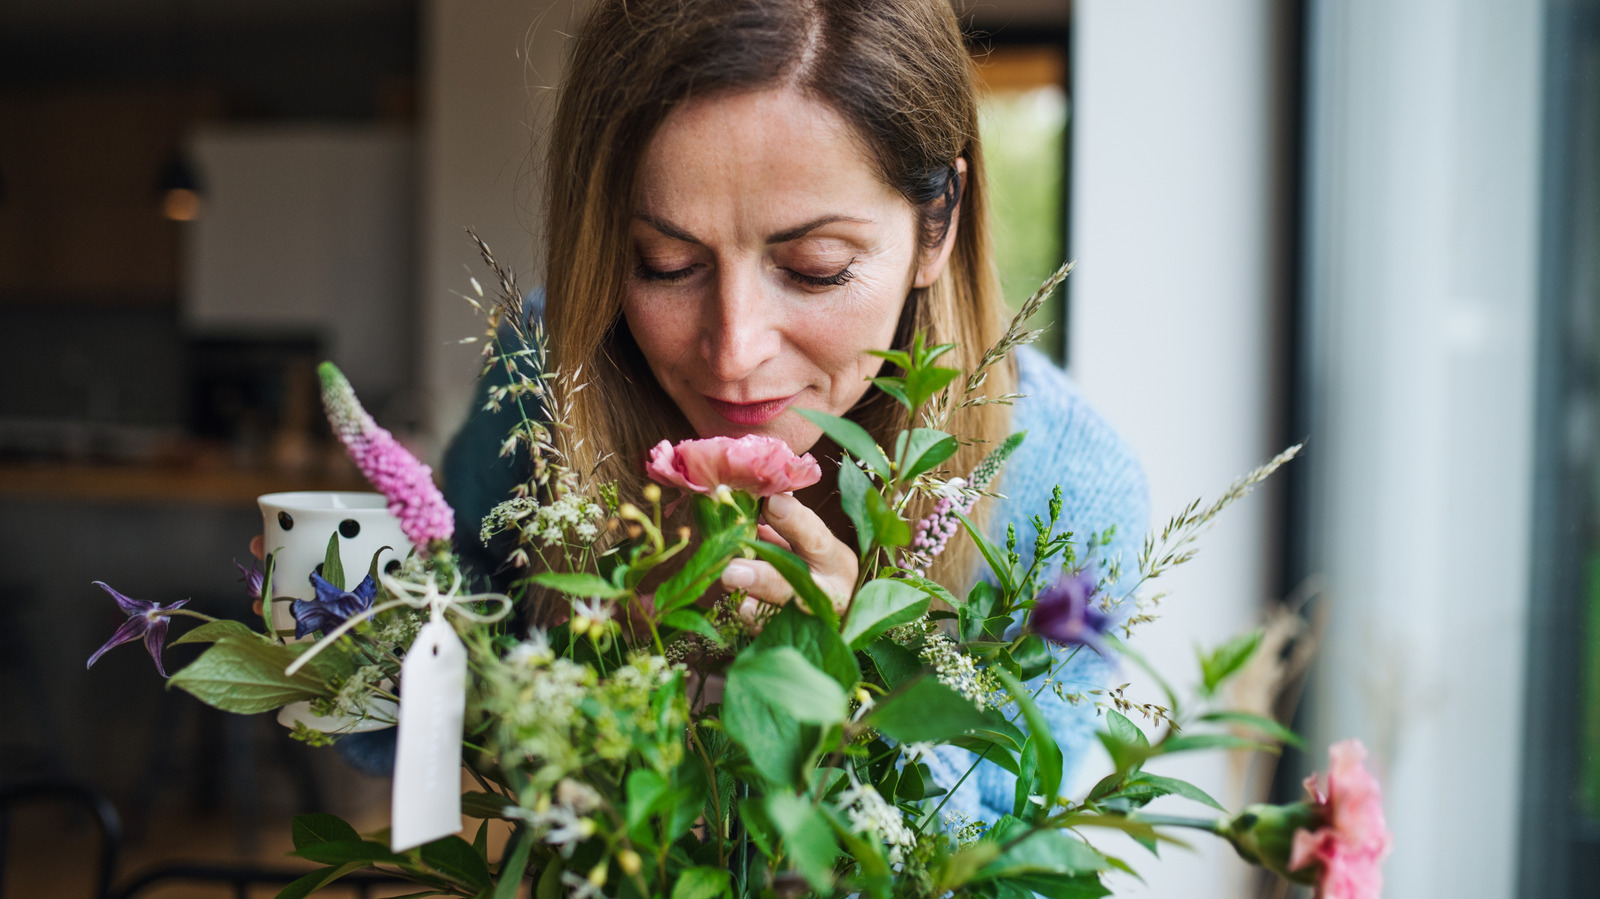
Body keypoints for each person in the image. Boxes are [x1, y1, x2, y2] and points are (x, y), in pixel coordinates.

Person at [443, 0, 1148, 824]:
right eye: (663, 263)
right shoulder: (547, 377)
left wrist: (852, 701)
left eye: (816, 268)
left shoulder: (1065, 483)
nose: (734, 351)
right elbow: (402, 710)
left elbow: (1023, 852)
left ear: (938, 224)